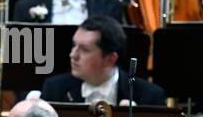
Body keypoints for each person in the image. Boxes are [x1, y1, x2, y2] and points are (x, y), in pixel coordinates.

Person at [36, 15, 166, 105]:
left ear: (110, 59)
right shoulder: (54, 89)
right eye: (74, 45)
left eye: (85, 50)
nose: (73, 55)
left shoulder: (149, 96)